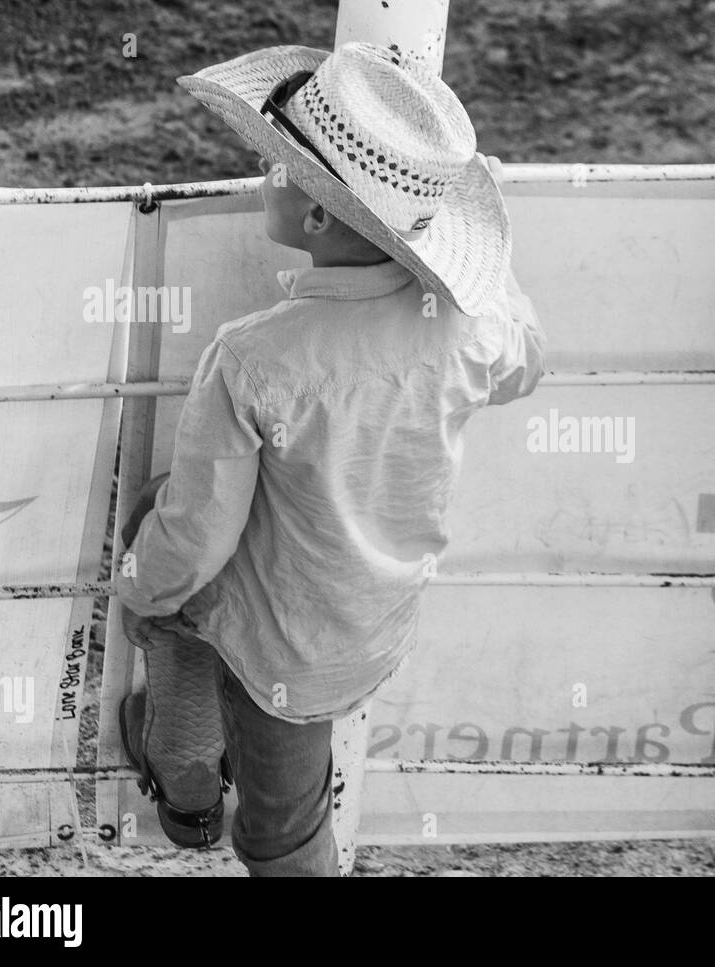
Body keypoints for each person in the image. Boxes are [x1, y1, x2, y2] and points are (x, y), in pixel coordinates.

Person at [114, 41, 545, 876]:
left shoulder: (252, 358)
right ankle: (194, 753)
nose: (261, 176)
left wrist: (137, 591)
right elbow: (528, 355)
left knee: (282, 823)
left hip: (285, 650)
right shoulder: (468, 331)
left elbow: (199, 534)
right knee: (190, 568)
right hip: (370, 617)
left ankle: (191, 785)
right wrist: (477, 253)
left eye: (276, 168)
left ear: (315, 217)